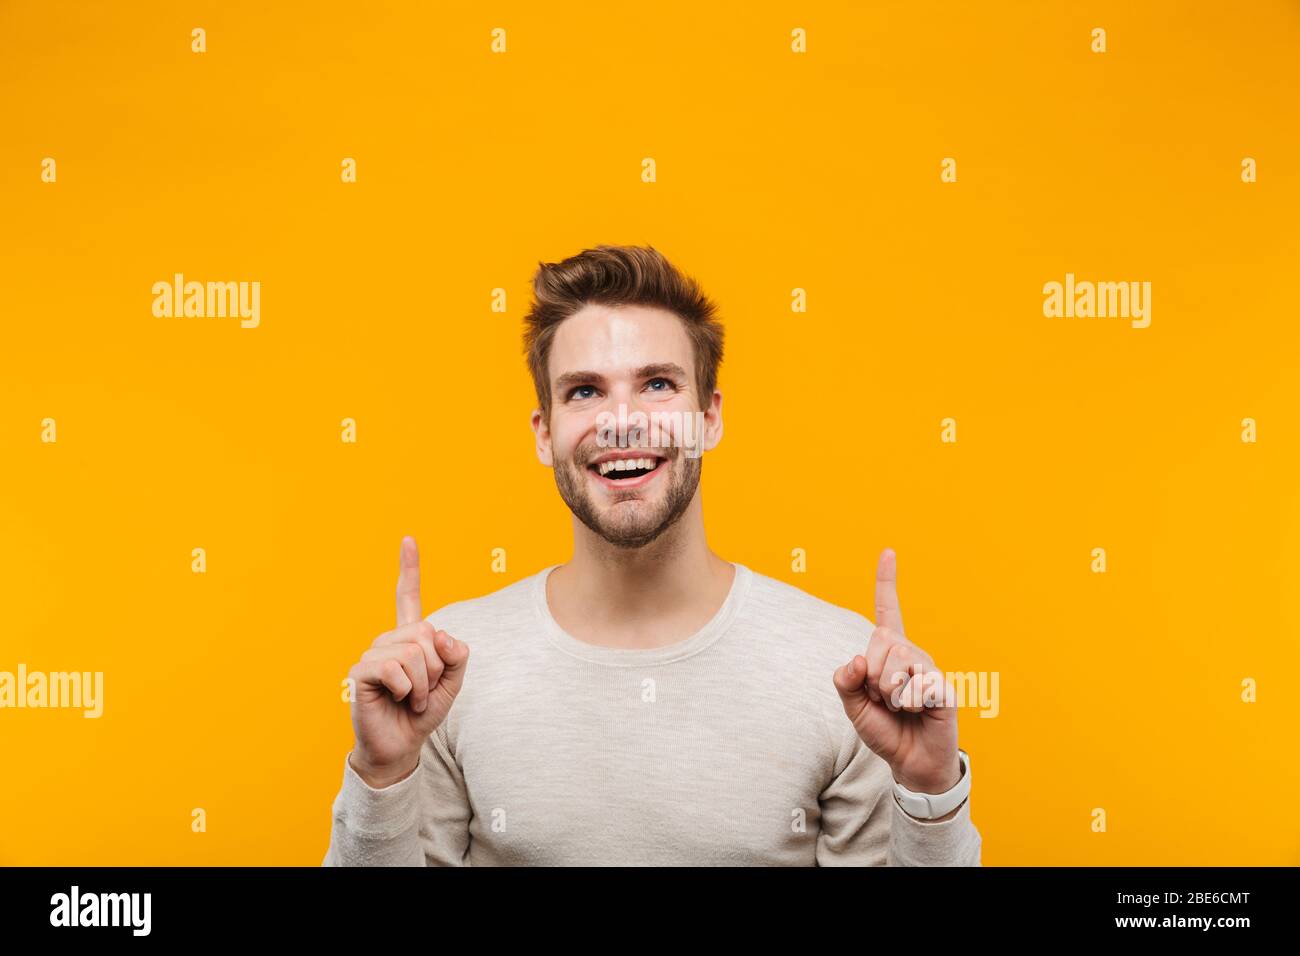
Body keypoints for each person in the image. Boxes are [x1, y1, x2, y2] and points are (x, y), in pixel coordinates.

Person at [323, 244, 982, 865]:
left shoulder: (848, 674)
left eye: (658, 385)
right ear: (544, 433)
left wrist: (929, 793)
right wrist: (381, 778)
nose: (621, 421)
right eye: (584, 391)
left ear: (711, 416)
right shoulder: (442, 673)